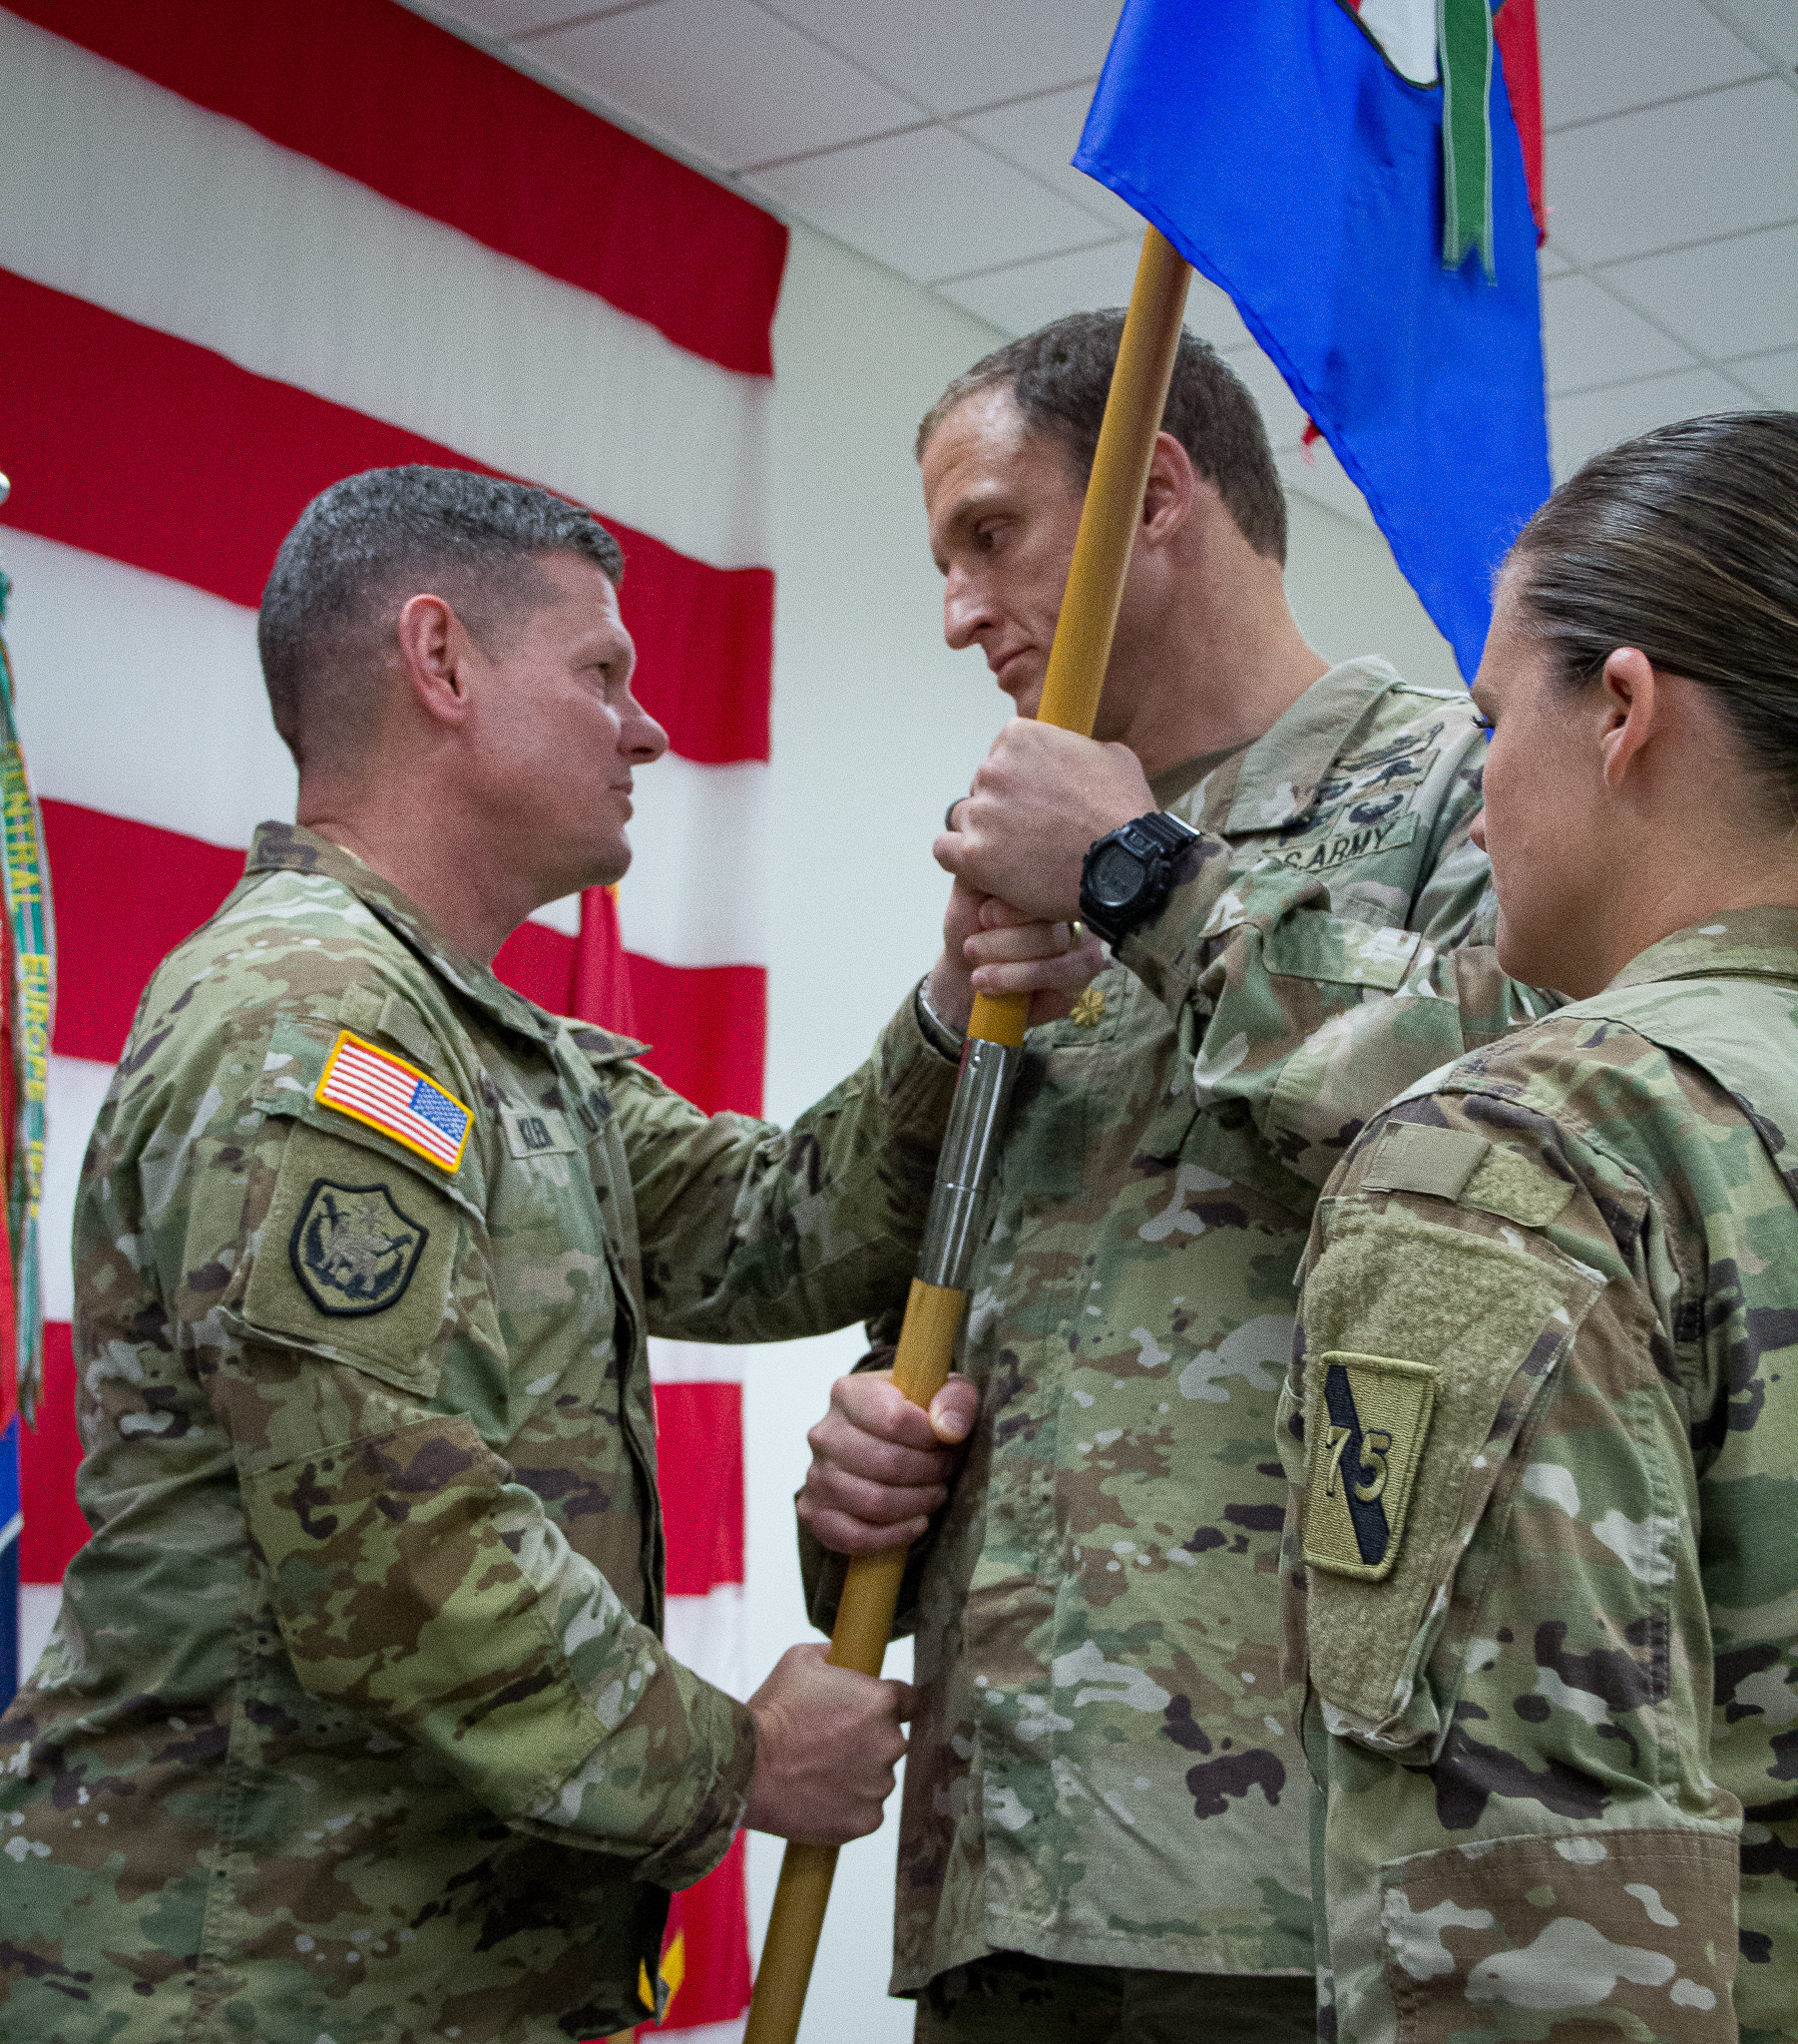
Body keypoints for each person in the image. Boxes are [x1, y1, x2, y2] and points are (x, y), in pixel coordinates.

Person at [0, 466, 1096, 2044]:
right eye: (601, 676)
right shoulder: (311, 1015)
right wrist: (743, 1763)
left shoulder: (500, 1058)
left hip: (396, 1972)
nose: (646, 730)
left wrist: (947, 1013)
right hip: (239, 1972)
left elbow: (773, 1228)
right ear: (439, 664)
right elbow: (397, 1548)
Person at [796, 311, 1552, 2040]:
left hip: (1306, 1888)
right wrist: (860, 1484)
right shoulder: (1007, 906)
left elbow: (1494, 1147)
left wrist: (1145, 881)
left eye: (990, 534)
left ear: (1153, 492)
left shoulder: (1460, 786)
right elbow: (991, 1307)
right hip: (1008, 1865)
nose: (956, 612)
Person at [1279, 410, 1798, 2044]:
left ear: (1623, 713)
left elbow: (1535, 1949)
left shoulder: (1529, 1149)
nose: (1476, 791)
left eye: (1494, 719)